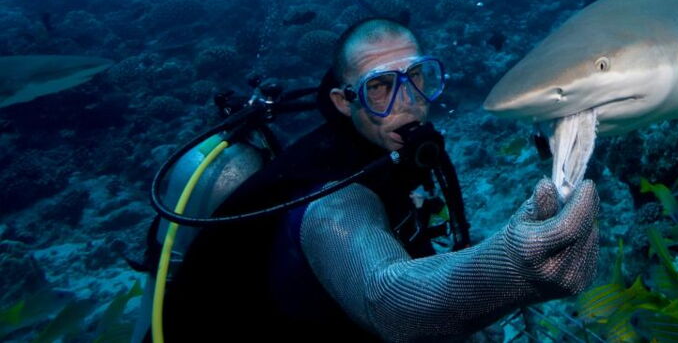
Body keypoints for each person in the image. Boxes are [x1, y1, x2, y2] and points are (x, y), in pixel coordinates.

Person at [163, 17, 599, 341]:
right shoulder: (331, 192)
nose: (407, 101)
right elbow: (387, 299)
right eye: (379, 87)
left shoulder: (394, 152)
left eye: (416, 77)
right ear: (343, 101)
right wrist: (512, 267)